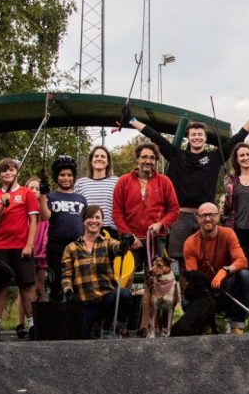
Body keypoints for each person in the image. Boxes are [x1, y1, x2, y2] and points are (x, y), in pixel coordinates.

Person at [123, 92, 249, 268]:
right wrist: (131, 120)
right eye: (193, 134)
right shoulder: (176, 155)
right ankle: (186, 295)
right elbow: (155, 136)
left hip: (207, 218)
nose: (197, 137)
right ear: (188, 137)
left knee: (209, 259)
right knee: (181, 262)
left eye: (200, 134)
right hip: (181, 217)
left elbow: (240, 136)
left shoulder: (215, 157)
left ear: (205, 137)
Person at [111, 142, 180, 336]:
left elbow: (174, 209)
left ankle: (146, 325)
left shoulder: (164, 182)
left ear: (156, 161)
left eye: (151, 158)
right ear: (137, 159)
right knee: (127, 279)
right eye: (144, 157)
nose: (147, 161)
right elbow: (117, 211)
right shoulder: (124, 181)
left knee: (153, 283)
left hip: (155, 238)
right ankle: (122, 324)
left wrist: (161, 225)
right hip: (131, 239)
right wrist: (127, 234)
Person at [0, 158, 39, 341]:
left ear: (17, 172)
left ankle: (32, 326)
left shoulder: (26, 194)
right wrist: (2, 205)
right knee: (0, 287)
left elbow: (33, 220)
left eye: (11, 170)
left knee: (27, 286)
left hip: (21, 247)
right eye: (4, 171)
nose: (8, 173)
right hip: (0, 247)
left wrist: (29, 245)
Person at [61, 204, 134, 338]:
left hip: (106, 299)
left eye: (97, 217)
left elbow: (119, 249)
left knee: (124, 294)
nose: (94, 221)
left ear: (102, 222)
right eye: (90, 217)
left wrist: (125, 243)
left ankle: (116, 325)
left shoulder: (107, 243)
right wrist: (68, 290)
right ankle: (95, 326)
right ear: (83, 221)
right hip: (85, 303)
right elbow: (66, 275)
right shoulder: (71, 248)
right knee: (82, 338)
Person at [182, 203, 249, 333]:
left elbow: (242, 261)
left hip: (226, 287)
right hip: (205, 292)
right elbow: (193, 278)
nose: (208, 219)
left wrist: (225, 270)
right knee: (186, 303)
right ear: (197, 218)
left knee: (245, 275)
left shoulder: (228, 233)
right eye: (203, 215)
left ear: (218, 217)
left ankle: (237, 325)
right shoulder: (190, 243)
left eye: (212, 215)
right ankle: (205, 326)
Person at [37, 155, 87, 301]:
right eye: (62, 175)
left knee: (77, 285)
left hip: (77, 246)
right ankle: (56, 321)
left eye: (69, 175)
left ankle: (76, 321)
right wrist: (42, 195)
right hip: (56, 247)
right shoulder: (51, 196)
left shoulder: (81, 198)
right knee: (56, 287)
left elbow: (85, 221)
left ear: (74, 176)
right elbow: (45, 216)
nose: (66, 178)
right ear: (56, 177)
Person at [16, 177, 48, 339]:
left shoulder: (43, 204)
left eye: (37, 188)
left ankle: (40, 322)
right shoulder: (22, 206)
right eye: (31, 188)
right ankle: (20, 323)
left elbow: (46, 217)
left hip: (41, 251)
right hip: (26, 249)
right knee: (25, 286)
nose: (34, 191)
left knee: (39, 288)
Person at [74, 146, 119, 237]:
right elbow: (76, 210)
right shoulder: (81, 183)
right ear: (91, 161)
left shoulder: (117, 182)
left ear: (108, 162)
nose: (99, 158)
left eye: (103, 156)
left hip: (111, 232)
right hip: (87, 230)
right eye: (96, 156)